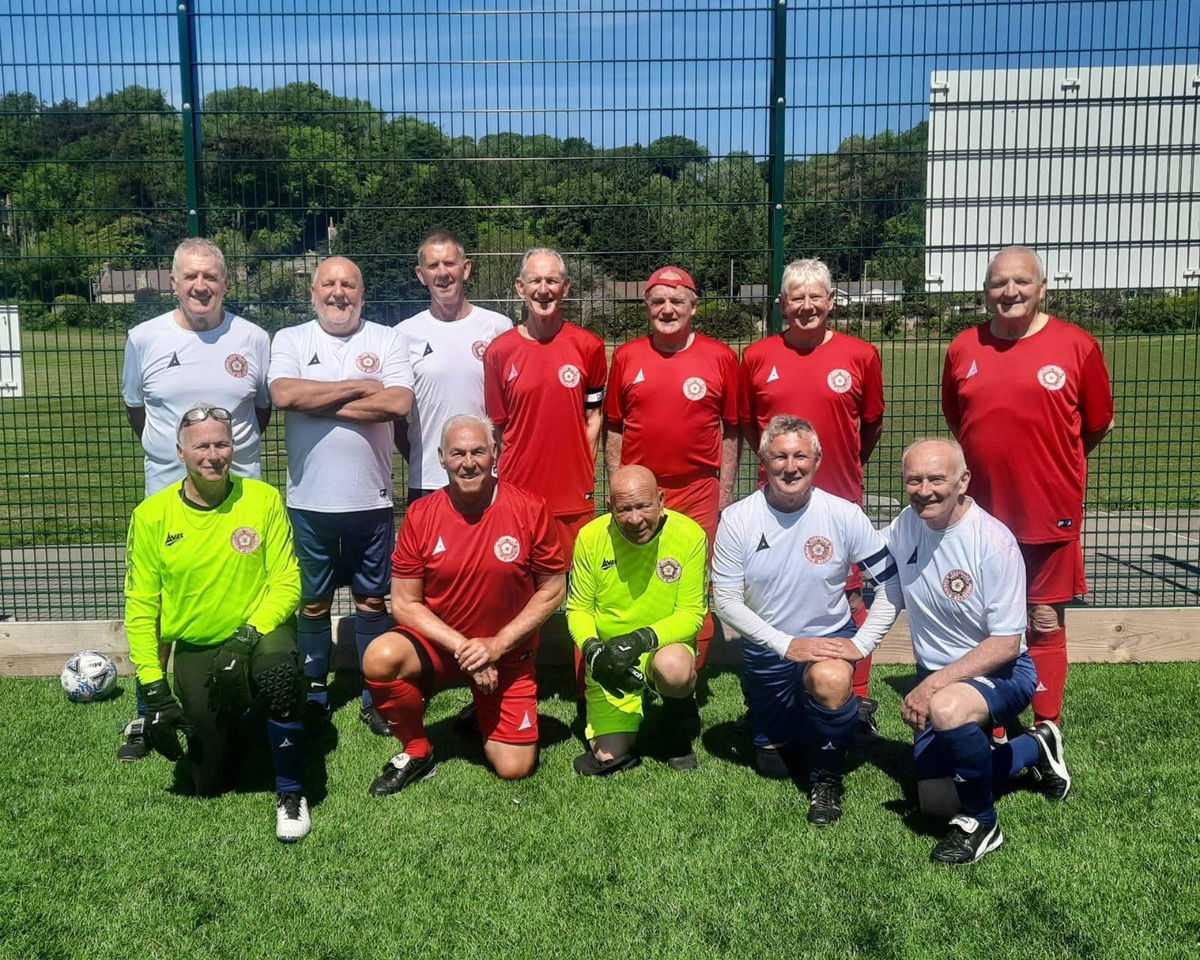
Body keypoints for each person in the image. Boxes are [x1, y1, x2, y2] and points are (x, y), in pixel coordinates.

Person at [942, 246, 1114, 726]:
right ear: (985, 292)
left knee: (1042, 620)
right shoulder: (963, 347)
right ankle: (995, 721)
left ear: (1043, 288)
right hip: (980, 514)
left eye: (1021, 282)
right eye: (999, 283)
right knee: (988, 623)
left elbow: (1097, 424)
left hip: (1048, 508)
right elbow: (960, 421)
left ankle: (1045, 729)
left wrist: (1056, 464)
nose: (1010, 292)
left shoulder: (1077, 344)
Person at [879, 438, 1072, 864]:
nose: (924, 490)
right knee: (934, 803)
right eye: (913, 480)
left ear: (963, 481)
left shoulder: (992, 541)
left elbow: (1005, 643)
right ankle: (1035, 747)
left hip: (1003, 671)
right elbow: (859, 549)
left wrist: (931, 686)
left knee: (947, 707)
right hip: (939, 674)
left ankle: (981, 824)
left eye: (936, 479)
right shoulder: (905, 525)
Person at [123, 404, 310, 841]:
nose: (213, 454)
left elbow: (287, 582)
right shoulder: (151, 516)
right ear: (181, 452)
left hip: (260, 632)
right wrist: (152, 688)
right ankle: (250, 724)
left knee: (279, 675)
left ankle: (290, 791)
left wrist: (246, 637)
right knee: (206, 782)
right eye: (201, 445)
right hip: (198, 643)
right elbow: (140, 606)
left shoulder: (262, 498)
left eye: (222, 443)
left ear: (234, 447)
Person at [118, 237, 272, 761]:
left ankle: (245, 705)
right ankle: (149, 708)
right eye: (190, 277)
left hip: (238, 501)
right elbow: (139, 413)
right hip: (167, 496)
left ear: (226, 282)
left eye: (211, 276)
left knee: (246, 598)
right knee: (156, 605)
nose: (201, 286)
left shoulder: (253, 338)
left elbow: (261, 412)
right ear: (173, 282)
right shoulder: (143, 337)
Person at [361, 415, 567, 794]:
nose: (468, 462)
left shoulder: (530, 508)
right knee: (381, 655)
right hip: (442, 648)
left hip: (505, 652)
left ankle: (481, 709)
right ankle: (417, 750)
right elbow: (405, 603)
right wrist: (465, 649)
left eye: (478, 451)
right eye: (457, 453)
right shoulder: (421, 514)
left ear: (495, 454)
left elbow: (553, 589)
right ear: (441, 457)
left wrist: (496, 646)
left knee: (514, 767)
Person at [711, 416, 898, 825]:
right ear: (763, 461)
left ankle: (826, 779)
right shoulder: (738, 519)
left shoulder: (843, 514)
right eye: (779, 456)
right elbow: (723, 600)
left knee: (829, 682)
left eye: (801, 455)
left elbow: (891, 584)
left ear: (818, 459)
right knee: (773, 763)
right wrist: (786, 644)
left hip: (829, 643)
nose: (790, 466)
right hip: (769, 650)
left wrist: (860, 644)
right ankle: (824, 714)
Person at [739, 258, 885, 740]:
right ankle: (778, 690)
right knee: (776, 593)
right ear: (782, 304)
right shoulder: (757, 356)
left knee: (849, 595)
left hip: (838, 494)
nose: (806, 306)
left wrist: (839, 469)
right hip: (778, 500)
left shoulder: (861, 354)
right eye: (796, 298)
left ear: (831, 301)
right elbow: (747, 426)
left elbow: (870, 424)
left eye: (815, 297)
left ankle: (854, 698)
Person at [268, 256, 414, 736]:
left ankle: (375, 696)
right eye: (328, 284)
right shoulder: (290, 339)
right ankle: (314, 689)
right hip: (308, 502)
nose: (338, 292)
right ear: (312, 293)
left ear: (362, 294)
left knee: (371, 602)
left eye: (348, 284)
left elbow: (396, 403)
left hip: (370, 501)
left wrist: (323, 402)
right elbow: (285, 395)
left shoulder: (386, 338)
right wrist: (356, 388)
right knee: (313, 602)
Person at [604, 266, 739, 668]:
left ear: (693, 307)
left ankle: (687, 678)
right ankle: (635, 662)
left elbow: (731, 430)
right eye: (658, 301)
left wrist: (725, 492)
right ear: (646, 308)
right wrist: (617, 483)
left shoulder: (720, 356)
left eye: (676, 301)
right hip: (640, 495)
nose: (667, 309)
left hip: (697, 489)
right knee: (635, 576)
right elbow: (613, 425)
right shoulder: (627, 356)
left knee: (694, 581)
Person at [566, 466, 708, 774]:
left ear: (661, 500)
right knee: (608, 758)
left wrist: (639, 640)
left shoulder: (689, 535)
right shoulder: (590, 537)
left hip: (661, 647)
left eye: (643, 506)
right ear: (610, 508)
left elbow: (692, 613)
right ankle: (628, 706)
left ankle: (676, 722)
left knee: (674, 668)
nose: (635, 519)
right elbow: (577, 609)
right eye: (624, 509)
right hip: (608, 659)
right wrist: (593, 649)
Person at [483, 247, 607, 565]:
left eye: (552, 280)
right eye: (534, 280)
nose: (543, 289)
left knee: (576, 580)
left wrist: (582, 465)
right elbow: (498, 426)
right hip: (518, 491)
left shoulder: (589, 347)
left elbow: (594, 416)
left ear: (565, 287)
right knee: (520, 580)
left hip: (572, 492)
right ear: (520, 288)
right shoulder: (499, 352)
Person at [396, 230, 513, 503]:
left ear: (466, 268)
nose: (442, 273)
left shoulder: (498, 327)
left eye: (449, 263)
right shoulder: (402, 335)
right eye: (433, 265)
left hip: (488, 476)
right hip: (428, 478)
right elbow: (396, 421)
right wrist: (419, 454)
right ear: (420, 274)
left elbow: (511, 408)